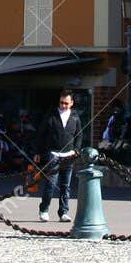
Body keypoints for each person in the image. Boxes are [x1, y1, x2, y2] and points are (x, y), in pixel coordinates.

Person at [35, 90, 82, 222]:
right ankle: (44, 210)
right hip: (53, 154)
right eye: (61, 102)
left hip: (69, 155)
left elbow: (79, 134)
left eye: (66, 103)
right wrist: (38, 152)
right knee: (50, 184)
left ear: (72, 103)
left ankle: (63, 212)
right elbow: (41, 134)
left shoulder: (75, 116)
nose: (63, 105)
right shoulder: (51, 115)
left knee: (65, 186)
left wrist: (76, 149)